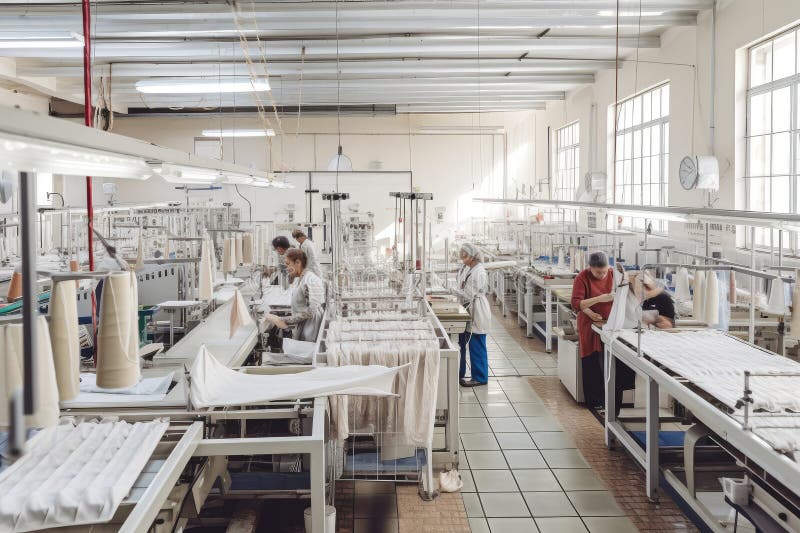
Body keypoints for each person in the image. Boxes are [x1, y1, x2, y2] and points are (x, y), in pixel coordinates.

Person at [571, 251, 634, 413]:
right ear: (590, 268)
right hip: (590, 322)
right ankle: (595, 403)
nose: (602, 275)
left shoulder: (615, 275)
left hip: (612, 323)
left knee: (614, 360)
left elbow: (627, 293)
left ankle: (613, 402)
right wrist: (597, 303)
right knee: (592, 361)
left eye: (605, 271)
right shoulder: (582, 278)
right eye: (598, 272)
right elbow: (577, 304)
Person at [451, 242, 491, 387]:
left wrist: (452, 291)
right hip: (470, 309)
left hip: (477, 310)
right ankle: (459, 373)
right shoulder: (470, 268)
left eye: (464, 255)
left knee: (477, 344)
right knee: (464, 342)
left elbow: (469, 294)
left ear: (472, 256)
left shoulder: (478, 271)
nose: (462, 258)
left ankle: (480, 377)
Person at [263, 249, 326, 342]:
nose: (287, 268)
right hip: (305, 327)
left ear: (297, 262)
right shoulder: (301, 279)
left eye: (288, 264)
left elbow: (311, 311)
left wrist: (285, 320)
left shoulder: (311, 280)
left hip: (311, 330)